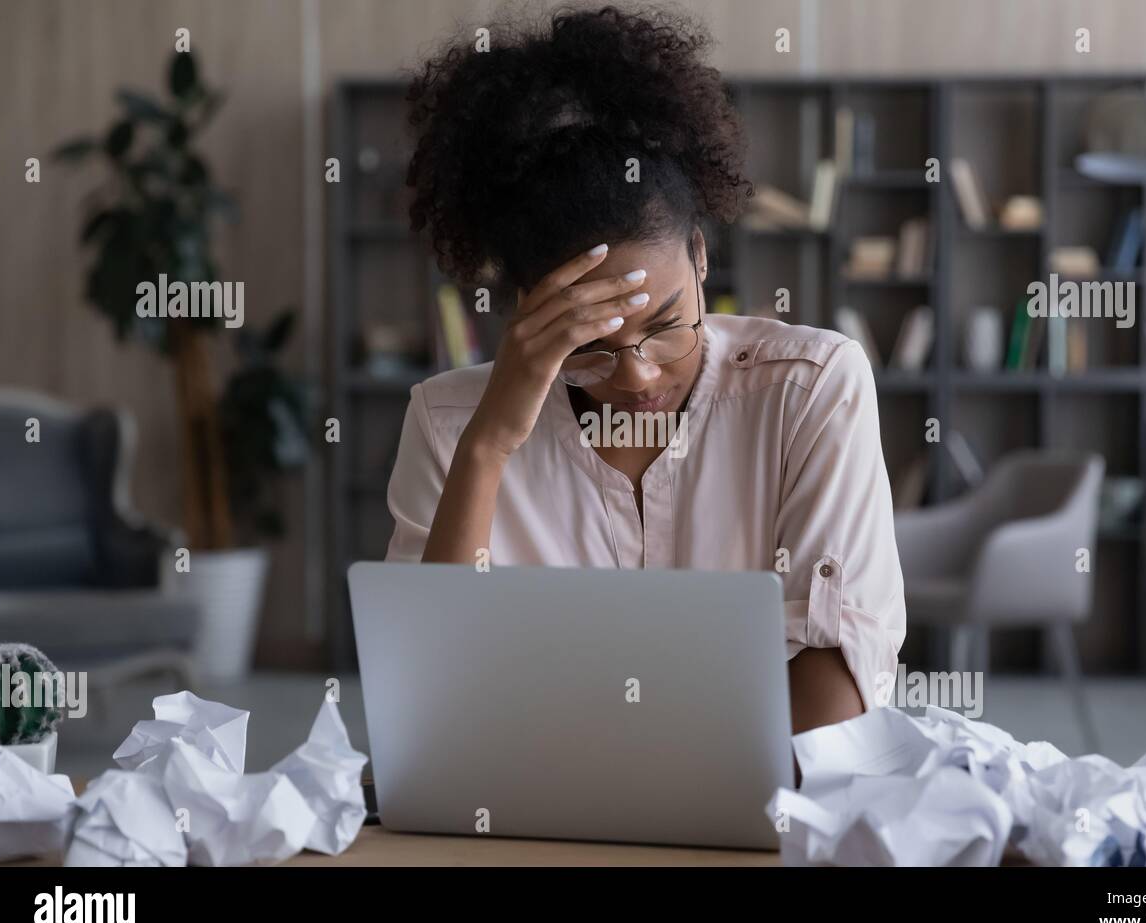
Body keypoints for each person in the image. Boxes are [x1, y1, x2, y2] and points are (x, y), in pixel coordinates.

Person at [388, 4, 905, 732]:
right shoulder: (448, 426)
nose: (634, 377)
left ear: (700, 257)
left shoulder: (809, 389)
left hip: (766, 816)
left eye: (665, 326)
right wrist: (490, 445)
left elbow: (836, 672)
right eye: (587, 343)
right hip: (529, 816)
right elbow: (423, 695)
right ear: (523, 309)